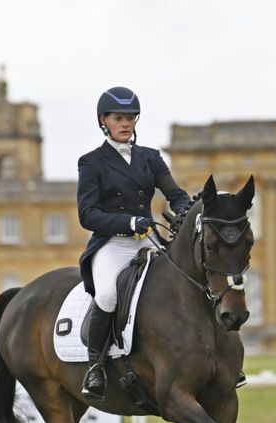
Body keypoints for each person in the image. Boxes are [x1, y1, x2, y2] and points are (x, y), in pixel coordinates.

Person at [76, 86, 192, 401]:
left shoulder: (150, 158)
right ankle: (95, 367)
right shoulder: (91, 162)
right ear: (104, 121)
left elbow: (176, 194)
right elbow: (87, 215)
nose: (125, 123)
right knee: (109, 295)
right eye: (119, 118)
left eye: (130, 118)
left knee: (187, 282)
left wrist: (185, 210)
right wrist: (127, 223)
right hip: (112, 244)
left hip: (148, 243)